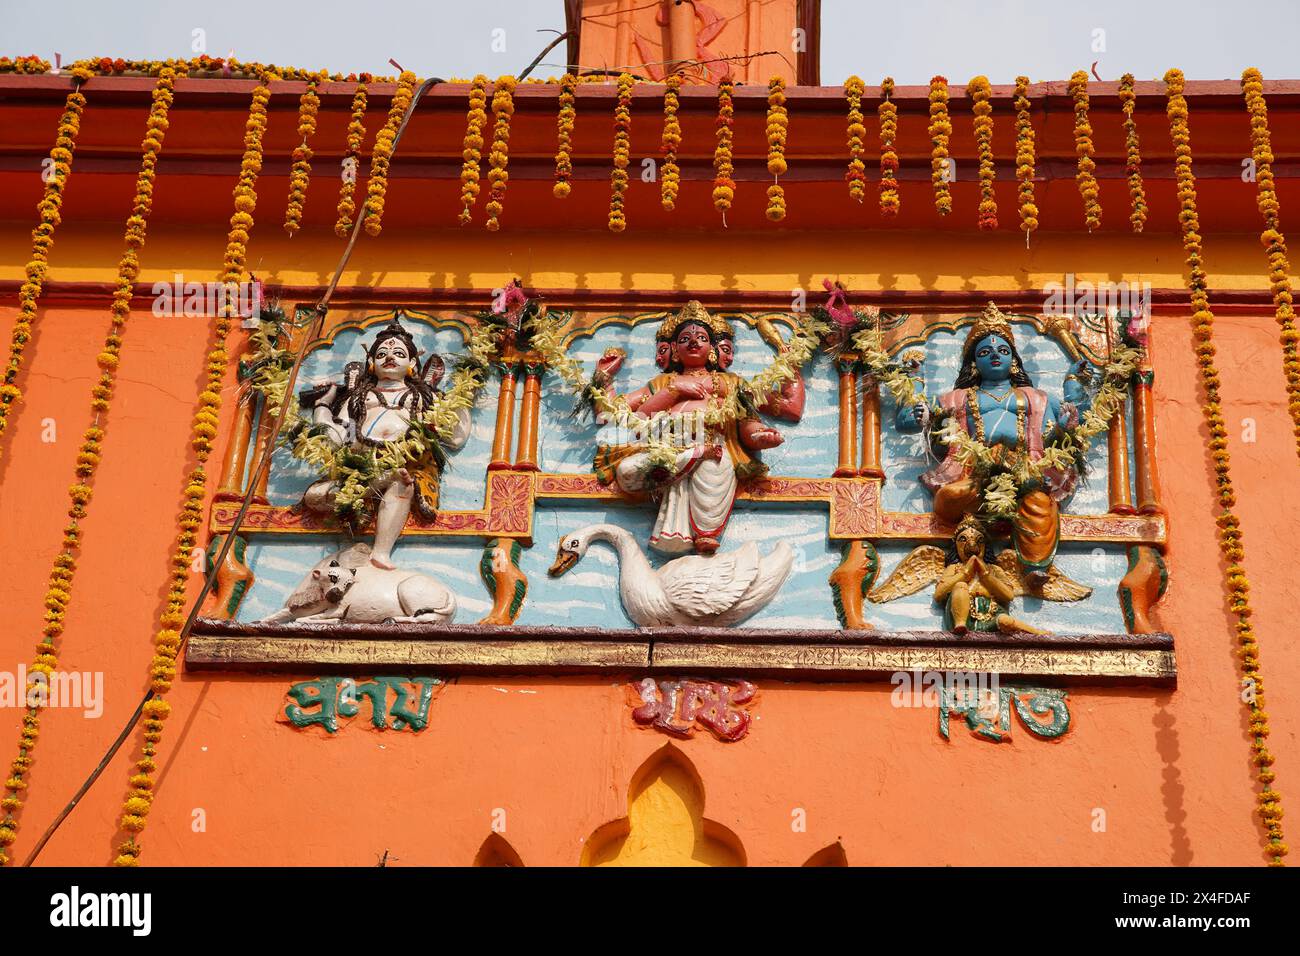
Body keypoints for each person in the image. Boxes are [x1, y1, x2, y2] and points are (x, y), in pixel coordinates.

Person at [896, 303, 1090, 582]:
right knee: (948, 497)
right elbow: (907, 421)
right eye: (985, 352)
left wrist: (1072, 384)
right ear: (974, 363)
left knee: (1039, 503)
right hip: (975, 474)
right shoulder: (955, 400)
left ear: (1013, 360)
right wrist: (918, 393)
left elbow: (1075, 424)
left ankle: (1035, 568)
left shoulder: (1037, 399)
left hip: (1026, 473)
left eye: (1003, 350)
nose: (995, 355)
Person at [591, 301, 786, 555]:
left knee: (713, 466)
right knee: (627, 470)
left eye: (701, 337)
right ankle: (688, 461)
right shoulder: (663, 382)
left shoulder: (729, 383)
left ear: (714, 348)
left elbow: (759, 418)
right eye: (684, 339)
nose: (693, 343)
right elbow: (612, 414)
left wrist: (760, 436)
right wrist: (604, 378)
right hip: (665, 451)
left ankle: (704, 532)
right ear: (672, 349)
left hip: (712, 451)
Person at [302, 319, 471, 569]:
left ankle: (380, 552)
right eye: (381, 354)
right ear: (371, 362)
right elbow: (342, 437)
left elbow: (455, 438)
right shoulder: (359, 398)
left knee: (400, 481)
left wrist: (461, 397)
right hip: (361, 466)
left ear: (413, 363)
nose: (389, 358)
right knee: (313, 496)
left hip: (406, 465)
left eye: (399, 353)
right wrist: (323, 406)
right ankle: (371, 486)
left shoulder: (424, 397)